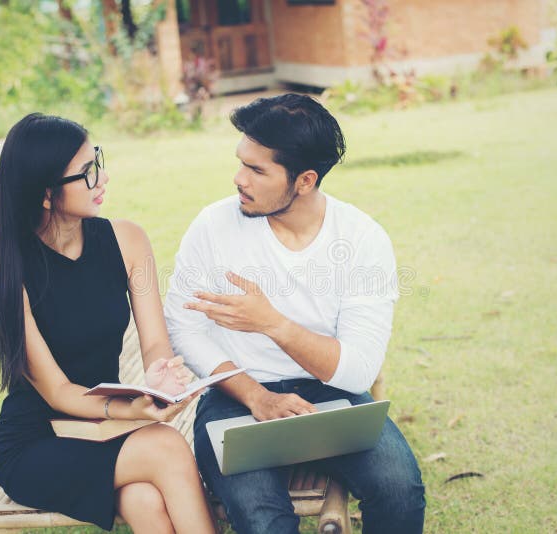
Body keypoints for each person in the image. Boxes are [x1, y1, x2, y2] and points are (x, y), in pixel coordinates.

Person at [164, 94, 426, 534]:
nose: (238, 178)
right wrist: (255, 396)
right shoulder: (213, 226)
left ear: (305, 180)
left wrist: (273, 324)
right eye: (241, 162)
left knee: (400, 490)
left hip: (330, 397)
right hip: (235, 399)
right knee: (263, 521)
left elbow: (359, 371)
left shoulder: (362, 239)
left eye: (257, 170)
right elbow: (183, 325)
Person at [0, 113, 215, 534]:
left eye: (97, 161)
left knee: (145, 500)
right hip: (39, 441)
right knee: (167, 447)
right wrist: (129, 410)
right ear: (46, 194)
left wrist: (159, 375)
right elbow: (59, 391)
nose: (102, 179)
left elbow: (155, 341)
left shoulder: (128, 241)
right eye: (86, 173)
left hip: (103, 428)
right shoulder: (4, 284)